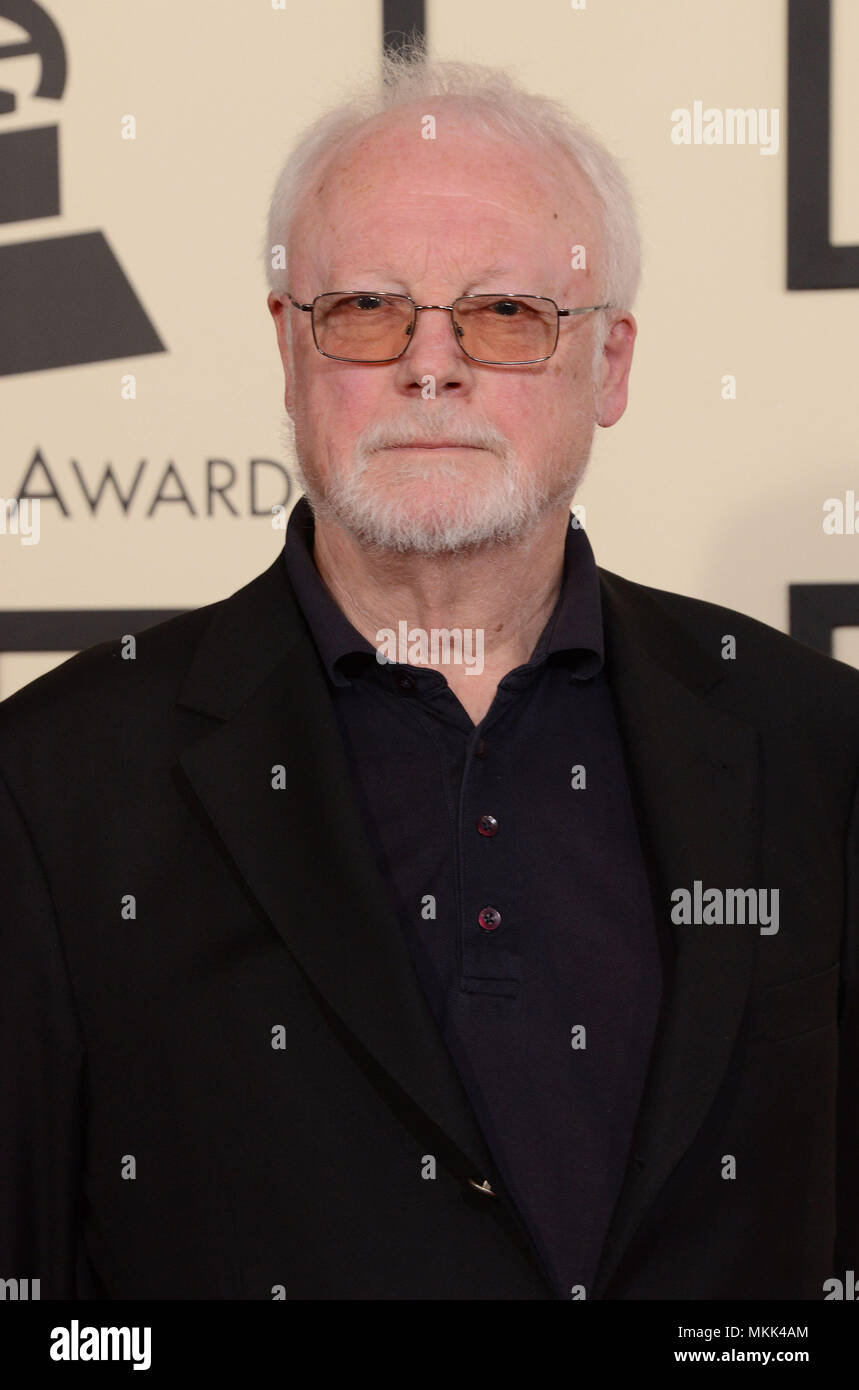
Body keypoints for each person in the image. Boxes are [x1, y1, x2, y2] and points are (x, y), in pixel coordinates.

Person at [1, 44, 857, 1301]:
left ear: (609, 365)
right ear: (289, 358)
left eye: (505, 313)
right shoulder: (57, 783)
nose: (431, 363)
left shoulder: (817, 745)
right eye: (367, 309)